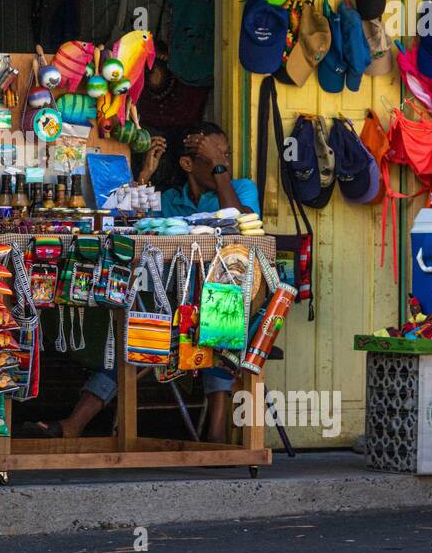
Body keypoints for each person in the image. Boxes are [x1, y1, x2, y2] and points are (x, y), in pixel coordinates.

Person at [26, 122, 261, 441]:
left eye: (226, 155)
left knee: (222, 321)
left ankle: (216, 432)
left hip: (223, 307)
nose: (227, 163)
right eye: (217, 156)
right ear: (188, 164)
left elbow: (242, 220)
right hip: (171, 308)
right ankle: (73, 425)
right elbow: (118, 215)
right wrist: (144, 176)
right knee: (133, 333)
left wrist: (218, 166)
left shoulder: (240, 188)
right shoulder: (168, 199)